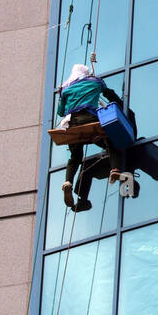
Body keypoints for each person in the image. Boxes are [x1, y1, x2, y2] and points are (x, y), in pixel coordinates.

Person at [57, 63, 125, 213]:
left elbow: (61, 112)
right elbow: (108, 93)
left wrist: (62, 94)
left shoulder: (67, 88)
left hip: (72, 123)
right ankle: (114, 169)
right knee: (111, 142)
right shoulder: (95, 81)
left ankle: (68, 181)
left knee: (75, 157)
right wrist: (121, 103)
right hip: (91, 119)